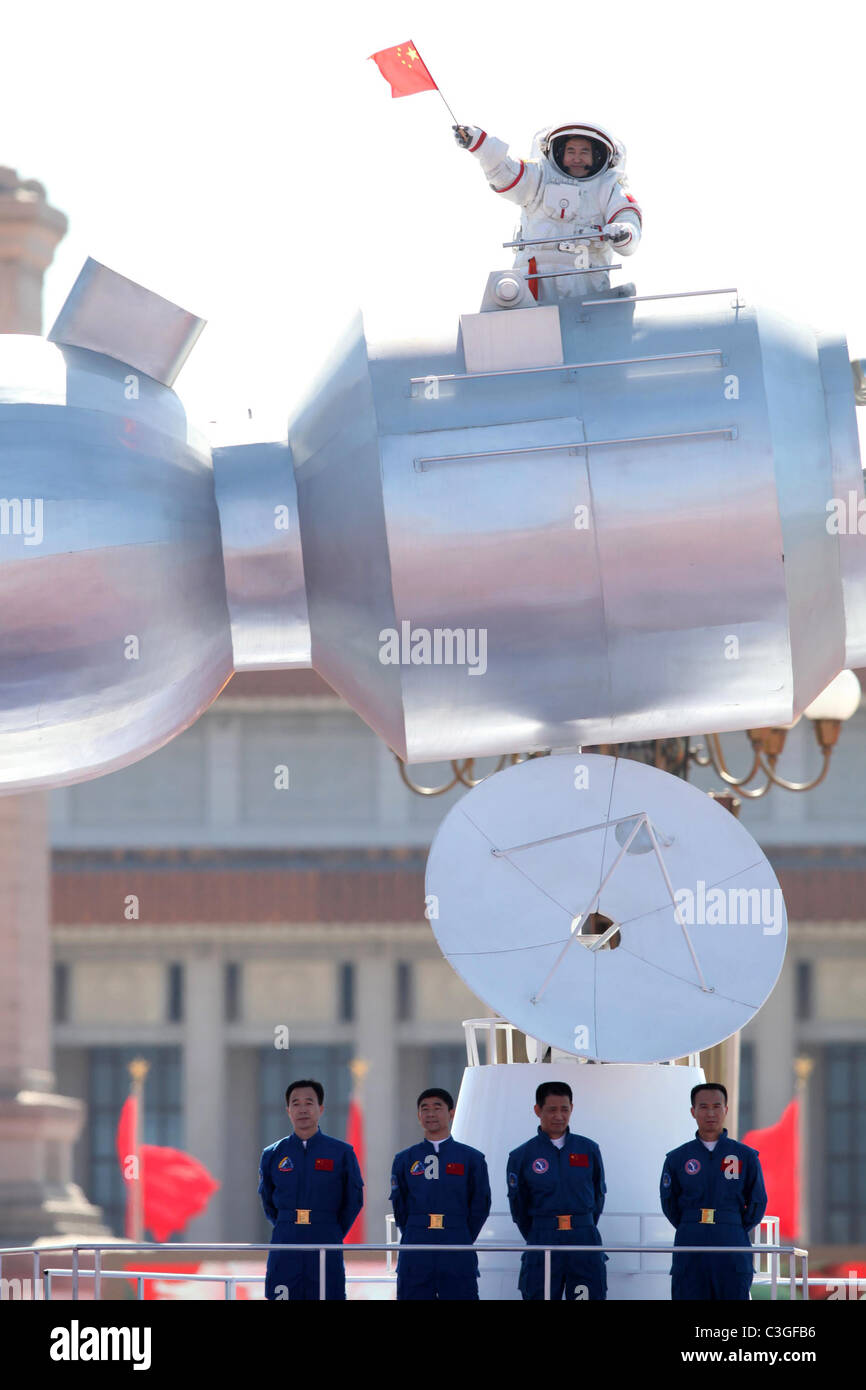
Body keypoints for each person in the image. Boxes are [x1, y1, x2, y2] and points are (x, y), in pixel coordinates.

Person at [453, 121, 641, 298]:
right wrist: (479, 143)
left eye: (584, 152)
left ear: (597, 155)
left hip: (586, 284)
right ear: (559, 152)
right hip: (532, 282)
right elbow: (505, 173)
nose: (577, 158)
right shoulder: (538, 176)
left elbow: (627, 219)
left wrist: (623, 232)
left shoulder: (609, 187)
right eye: (571, 151)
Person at [258, 1077, 364, 1300]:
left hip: (325, 1237)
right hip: (286, 1240)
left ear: (321, 1108)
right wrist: (288, 1224)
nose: (302, 1109)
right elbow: (268, 1200)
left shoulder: (341, 1153)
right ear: (288, 1111)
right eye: (296, 1103)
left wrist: (330, 1228)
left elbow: (353, 1200)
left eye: (309, 1102)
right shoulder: (273, 1154)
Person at [660, 1082, 768, 1301]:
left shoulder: (745, 1156)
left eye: (717, 1106)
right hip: (691, 1240)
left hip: (731, 1240)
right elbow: (669, 1203)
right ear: (693, 1111)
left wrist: (731, 1224)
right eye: (703, 1107)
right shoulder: (677, 1158)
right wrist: (692, 1223)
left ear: (726, 1110)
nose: (710, 1113)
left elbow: (757, 1202)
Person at [506, 1081, 607, 1300]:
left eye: (564, 1109)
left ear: (572, 1109)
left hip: (583, 1236)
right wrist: (540, 1230)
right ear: (537, 1110)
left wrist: (582, 1224)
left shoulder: (589, 1149)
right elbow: (518, 1206)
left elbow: (598, 1195)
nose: (559, 1116)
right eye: (552, 1110)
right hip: (542, 1236)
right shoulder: (521, 1156)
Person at [389, 1087, 491, 1300]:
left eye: (437, 1108)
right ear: (419, 1116)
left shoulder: (471, 1158)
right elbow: (400, 1206)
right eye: (425, 1109)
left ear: (451, 1113)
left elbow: (480, 1205)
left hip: (456, 1242)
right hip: (416, 1243)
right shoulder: (404, 1159)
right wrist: (416, 1229)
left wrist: (460, 1232)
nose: (431, 1114)